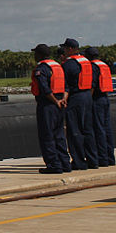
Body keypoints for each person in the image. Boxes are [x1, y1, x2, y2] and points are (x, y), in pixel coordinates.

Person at [31, 43, 70, 173]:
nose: (35, 56)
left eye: (36, 53)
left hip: (48, 105)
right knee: (59, 135)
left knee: (47, 135)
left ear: (40, 55)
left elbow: (45, 89)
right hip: (60, 104)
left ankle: (54, 165)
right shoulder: (58, 66)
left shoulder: (41, 69)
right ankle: (65, 163)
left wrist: (55, 101)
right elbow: (66, 86)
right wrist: (63, 99)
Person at [61, 38, 98, 169]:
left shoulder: (68, 64)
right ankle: (93, 160)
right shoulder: (86, 62)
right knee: (88, 129)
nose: (64, 51)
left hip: (76, 97)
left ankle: (79, 161)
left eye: (65, 48)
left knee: (74, 130)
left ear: (70, 49)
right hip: (88, 96)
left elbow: (65, 84)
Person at [85, 47, 115, 166]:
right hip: (105, 98)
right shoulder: (104, 65)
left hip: (96, 99)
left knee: (99, 129)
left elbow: (92, 85)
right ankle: (110, 157)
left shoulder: (93, 67)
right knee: (107, 129)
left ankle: (102, 158)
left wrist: (88, 100)